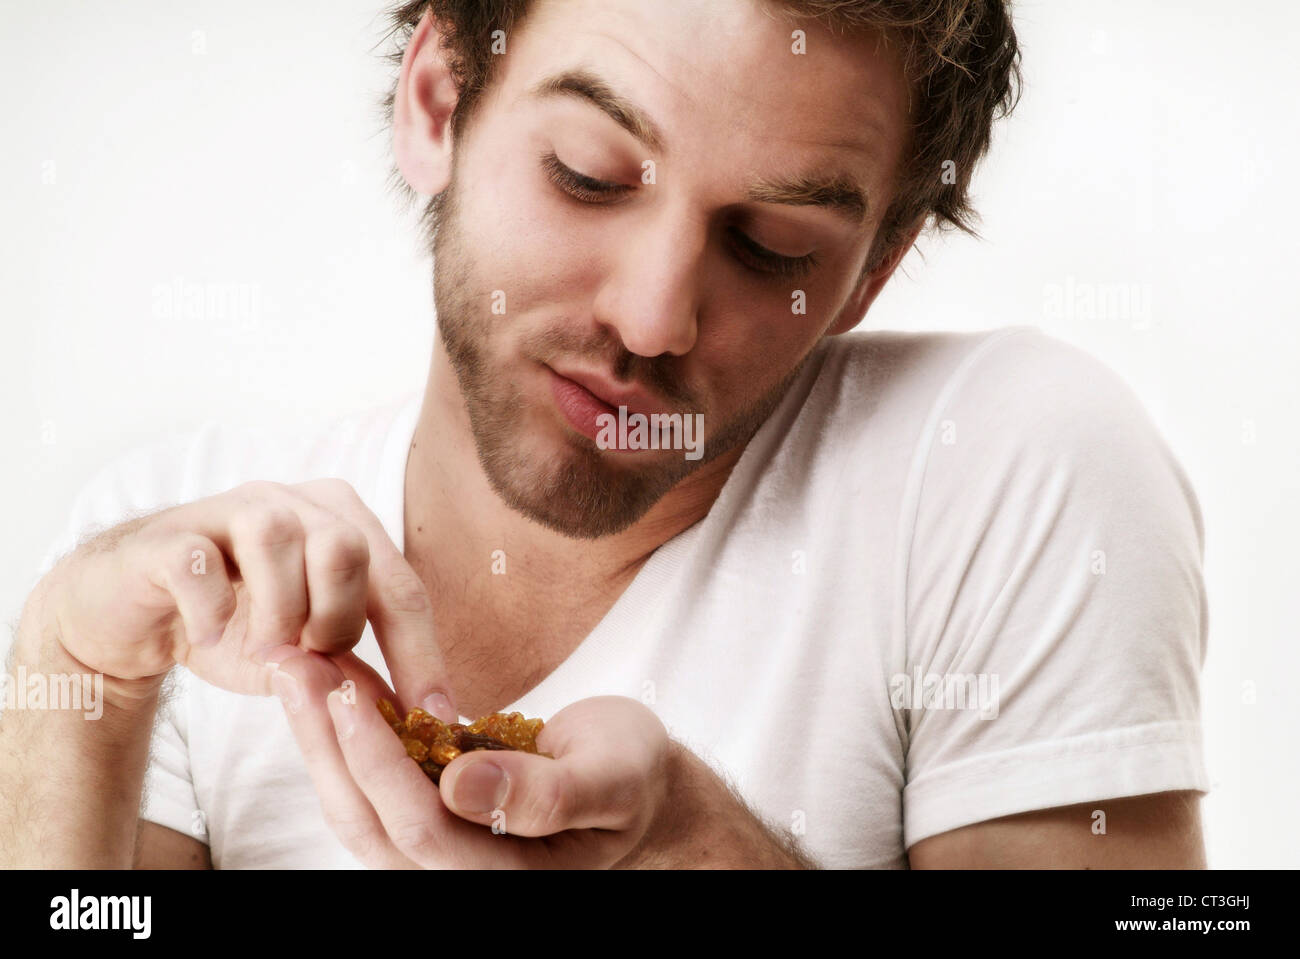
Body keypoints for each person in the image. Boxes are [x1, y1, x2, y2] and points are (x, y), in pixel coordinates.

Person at [0, 0, 1209, 869]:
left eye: (773, 248)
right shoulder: (185, 536)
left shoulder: (1004, 466)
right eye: (588, 173)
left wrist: (697, 854)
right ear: (437, 100)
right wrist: (77, 692)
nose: (650, 315)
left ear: (869, 276)